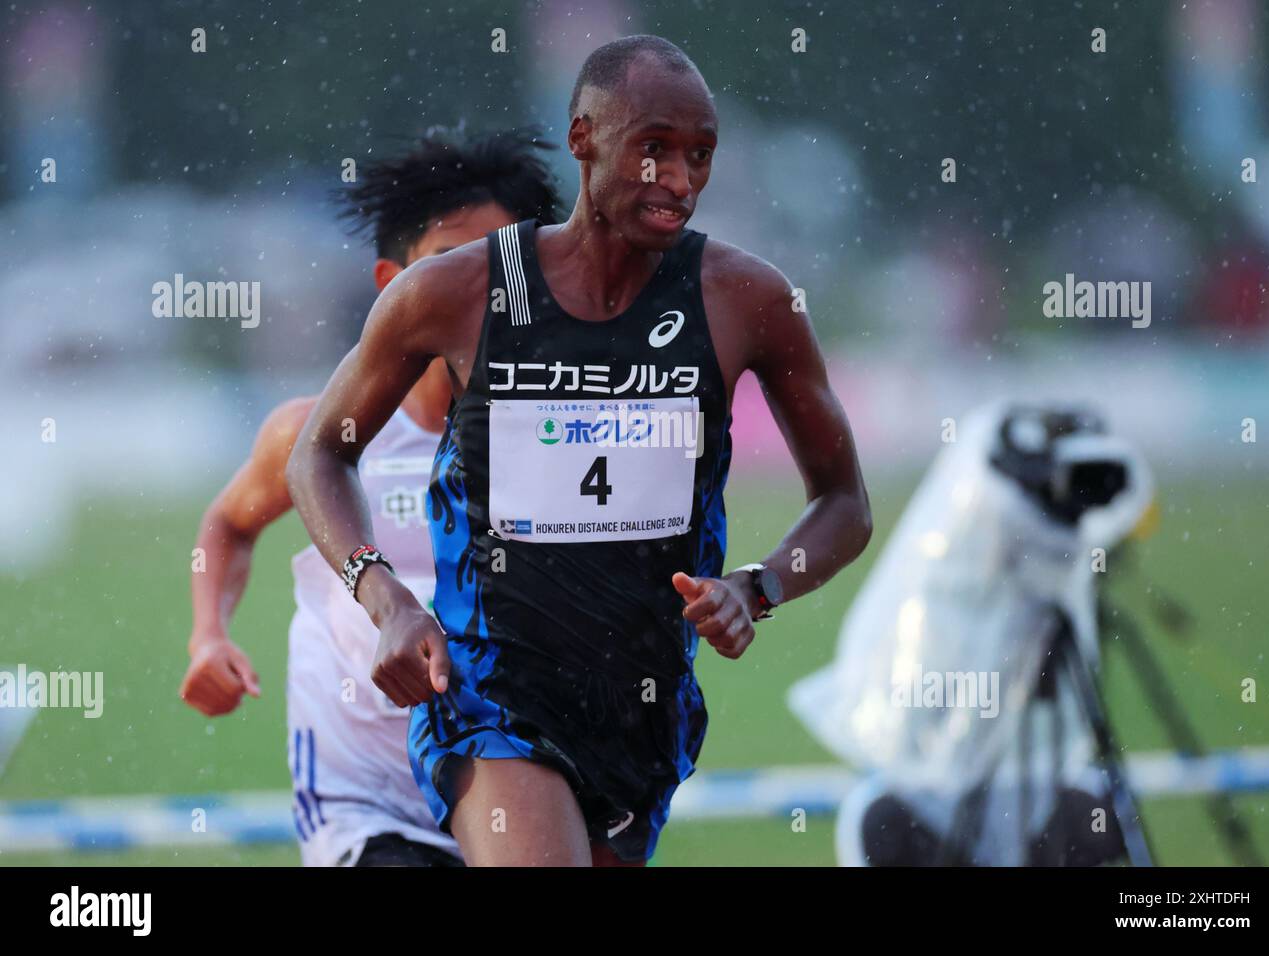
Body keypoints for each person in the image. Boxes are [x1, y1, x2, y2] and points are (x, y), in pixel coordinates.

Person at [286, 35, 872, 866]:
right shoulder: (459, 291)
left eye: (699, 155)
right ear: (583, 139)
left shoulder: (746, 299)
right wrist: (387, 601)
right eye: (654, 150)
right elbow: (318, 456)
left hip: (644, 705)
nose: (679, 181)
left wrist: (760, 585)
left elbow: (845, 502)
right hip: (494, 696)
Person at [179, 129, 564, 866]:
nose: (479, 294)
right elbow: (227, 523)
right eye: (452, 265)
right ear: (394, 284)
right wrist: (209, 635)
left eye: (505, 267)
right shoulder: (316, 434)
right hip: (363, 809)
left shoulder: (559, 435)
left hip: (511, 792)